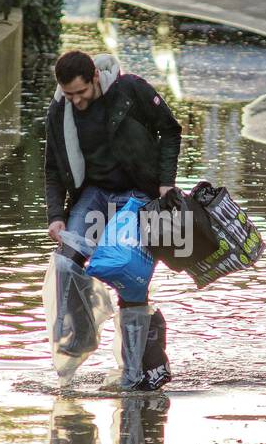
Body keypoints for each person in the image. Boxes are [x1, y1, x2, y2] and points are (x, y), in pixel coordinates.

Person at [44, 50, 181, 390]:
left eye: (81, 92)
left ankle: (135, 369)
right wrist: (56, 216)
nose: (76, 101)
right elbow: (52, 168)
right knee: (66, 262)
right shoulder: (60, 109)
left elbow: (170, 130)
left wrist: (166, 182)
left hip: (137, 194)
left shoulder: (130, 90)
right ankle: (82, 334)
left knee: (128, 273)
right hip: (95, 194)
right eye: (69, 94)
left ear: (94, 77)